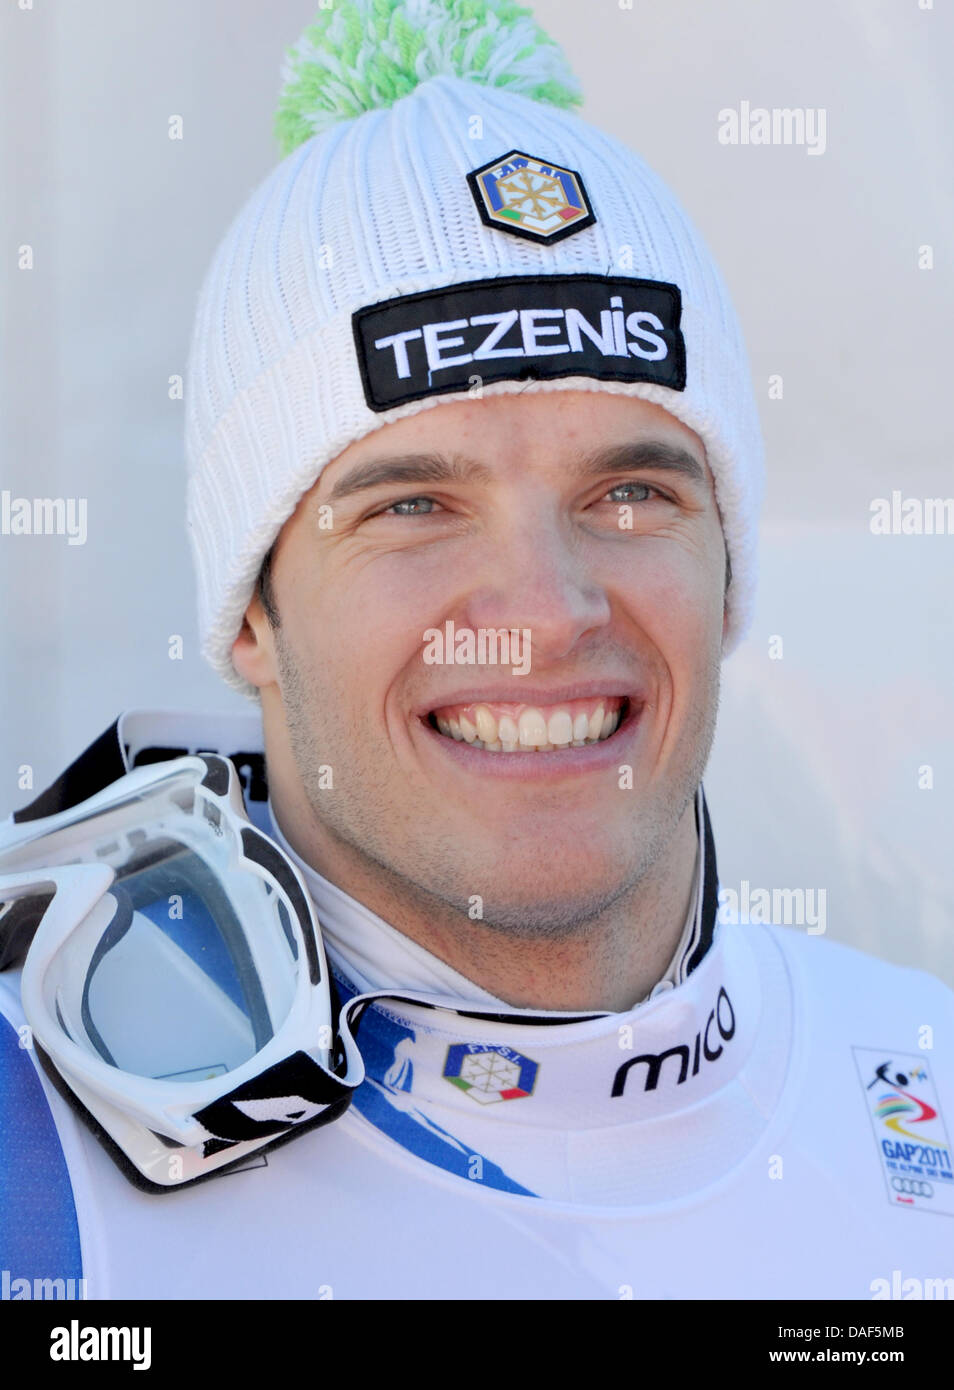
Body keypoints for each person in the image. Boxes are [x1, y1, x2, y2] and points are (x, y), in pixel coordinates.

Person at [1, 0, 952, 1301]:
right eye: (412, 506)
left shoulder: (920, 1077)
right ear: (249, 617)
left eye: (630, 493)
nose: (543, 609)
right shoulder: (33, 1178)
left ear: (725, 572)